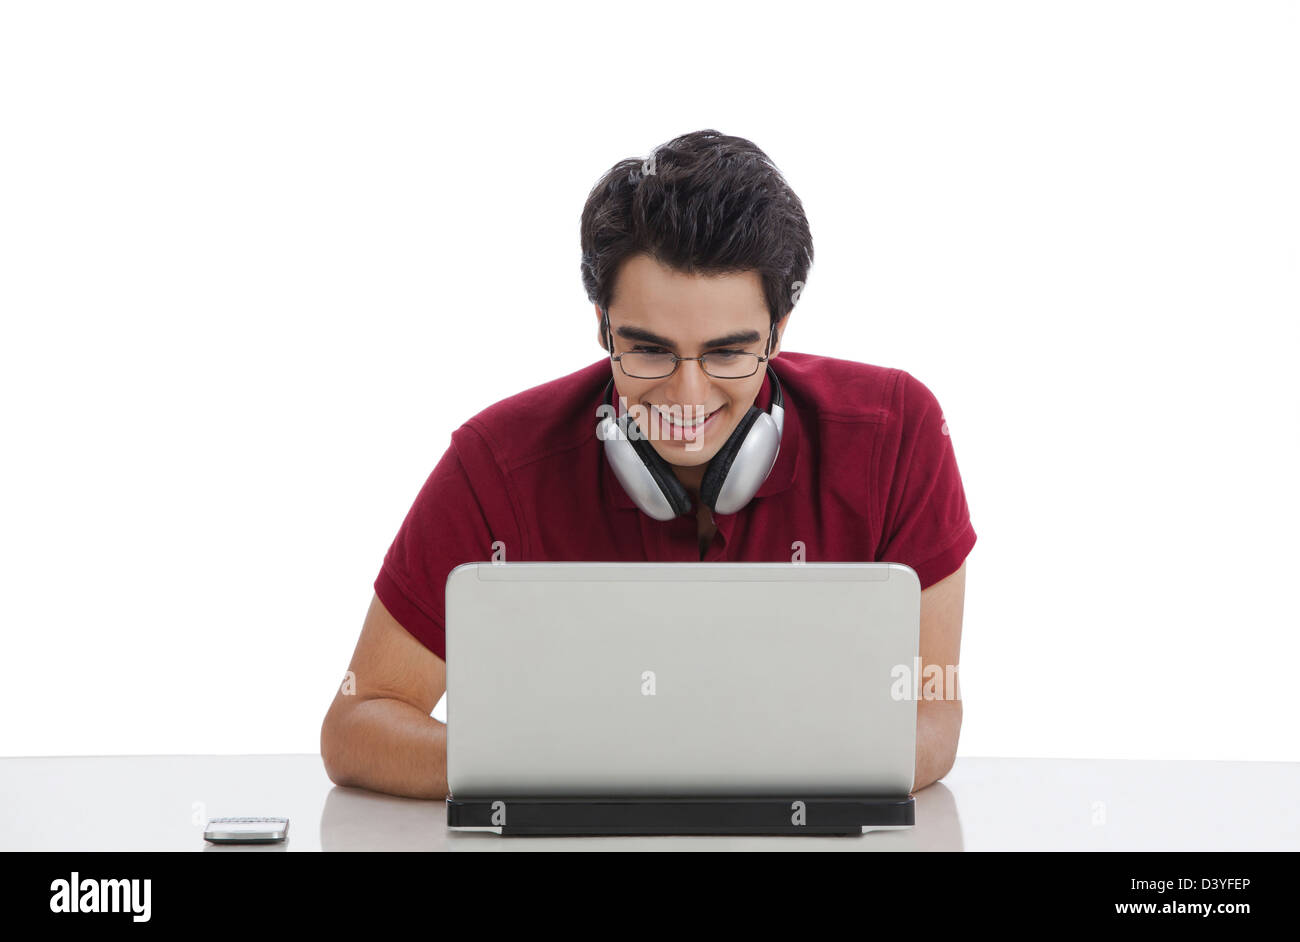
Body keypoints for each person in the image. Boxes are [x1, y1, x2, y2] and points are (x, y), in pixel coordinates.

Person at [320, 129, 976, 799]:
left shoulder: (899, 434)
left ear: (778, 331)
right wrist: (575, 771)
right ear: (603, 325)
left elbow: (931, 720)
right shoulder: (496, 465)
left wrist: (706, 777)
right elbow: (359, 724)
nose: (686, 397)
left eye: (727, 354)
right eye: (649, 351)